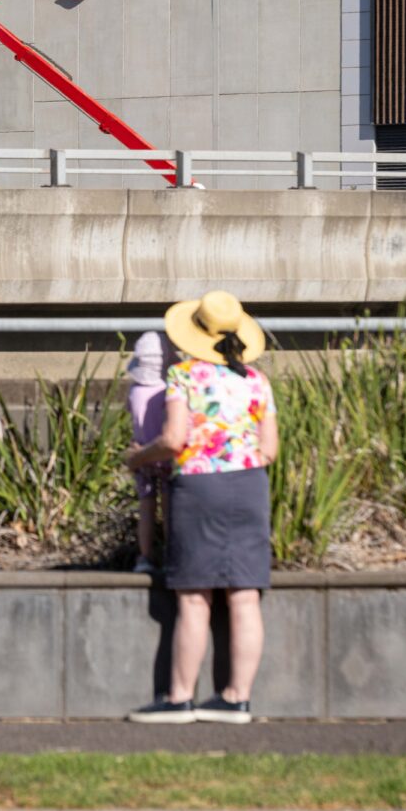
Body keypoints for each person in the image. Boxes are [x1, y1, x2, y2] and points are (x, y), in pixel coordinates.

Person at [123, 290, 279, 725]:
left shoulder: (184, 377)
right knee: (245, 595)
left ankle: (179, 699)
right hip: (250, 486)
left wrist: (137, 456)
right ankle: (236, 699)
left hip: (199, 486)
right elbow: (269, 450)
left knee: (194, 597)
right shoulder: (257, 381)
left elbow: (174, 440)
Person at [125, 331, 171, 573]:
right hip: (164, 454)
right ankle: (171, 554)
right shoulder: (167, 390)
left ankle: (145, 556)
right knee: (168, 505)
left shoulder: (134, 391)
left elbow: (129, 411)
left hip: (139, 454)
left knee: (146, 507)